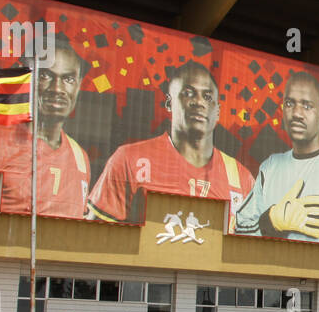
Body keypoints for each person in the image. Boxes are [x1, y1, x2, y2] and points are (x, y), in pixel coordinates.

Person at [86, 60, 252, 225]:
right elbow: (96, 236)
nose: (199, 102)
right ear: (169, 103)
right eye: (188, 93)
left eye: (208, 97)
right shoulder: (129, 159)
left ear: (218, 111)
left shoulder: (241, 177)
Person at [0, 34, 91, 218]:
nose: (57, 89)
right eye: (45, 75)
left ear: (79, 85)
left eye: (69, 79)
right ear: (23, 77)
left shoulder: (80, 157)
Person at [234, 70, 319, 242]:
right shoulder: (270, 166)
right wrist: (271, 222)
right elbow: (239, 232)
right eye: (289, 103)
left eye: (307, 106)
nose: (296, 114)